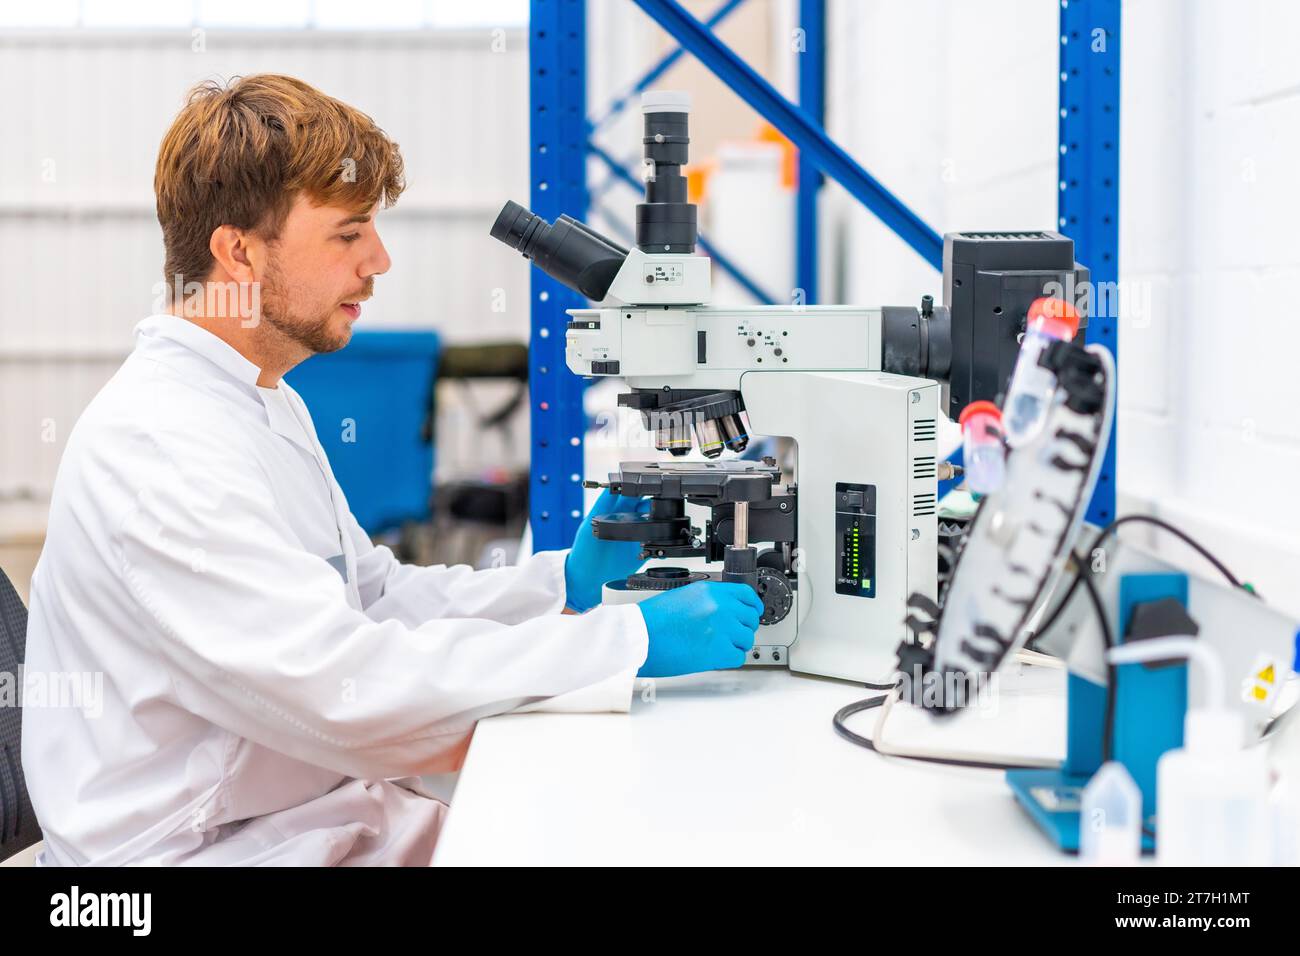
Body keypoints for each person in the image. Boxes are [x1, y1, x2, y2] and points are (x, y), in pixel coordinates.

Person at [21, 74, 761, 866]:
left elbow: (371, 598)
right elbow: (346, 692)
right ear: (237, 251)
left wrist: (558, 587)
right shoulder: (161, 444)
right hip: (199, 854)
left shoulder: (262, 400)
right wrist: (627, 641)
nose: (379, 260)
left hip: (297, 812)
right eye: (349, 233)